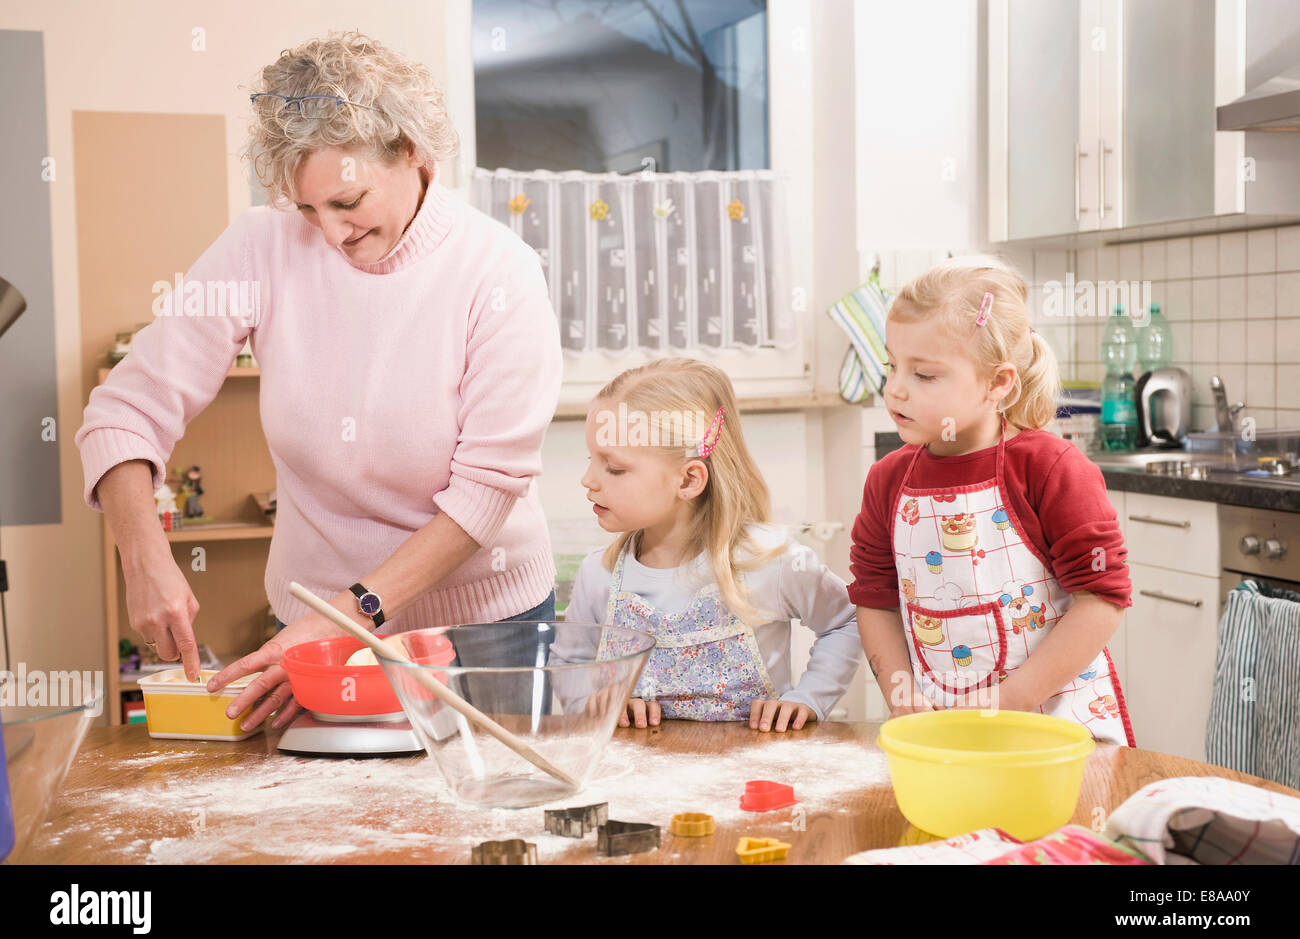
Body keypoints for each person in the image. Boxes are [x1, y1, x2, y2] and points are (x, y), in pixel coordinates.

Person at [74, 31, 561, 734]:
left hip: (484, 629)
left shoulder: (499, 271)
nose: (329, 235)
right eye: (307, 210)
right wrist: (141, 555)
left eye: (347, 201)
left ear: (413, 152)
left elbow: (486, 490)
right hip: (313, 627)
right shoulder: (260, 245)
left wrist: (350, 615)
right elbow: (125, 409)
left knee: (479, 829)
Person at [849, 255, 1135, 745]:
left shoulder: (1049, 469)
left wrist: (1008, 703)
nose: (894, 389)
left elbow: (1102, 598)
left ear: (998, 384)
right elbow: (875, 599)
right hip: (943, 735)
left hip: (1059, 734)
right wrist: (903, 699)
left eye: (925, 375)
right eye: (892, 366)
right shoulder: (887, 480)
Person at [558, 358, 863, 732]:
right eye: (592, 460)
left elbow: (846, 621)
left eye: (614, 468)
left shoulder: (770, 562)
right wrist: (597, 701)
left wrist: (810, 697)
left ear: (688, 480)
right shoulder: (599, 575)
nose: (588, 480)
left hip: (751, 775)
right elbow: (570, 665)